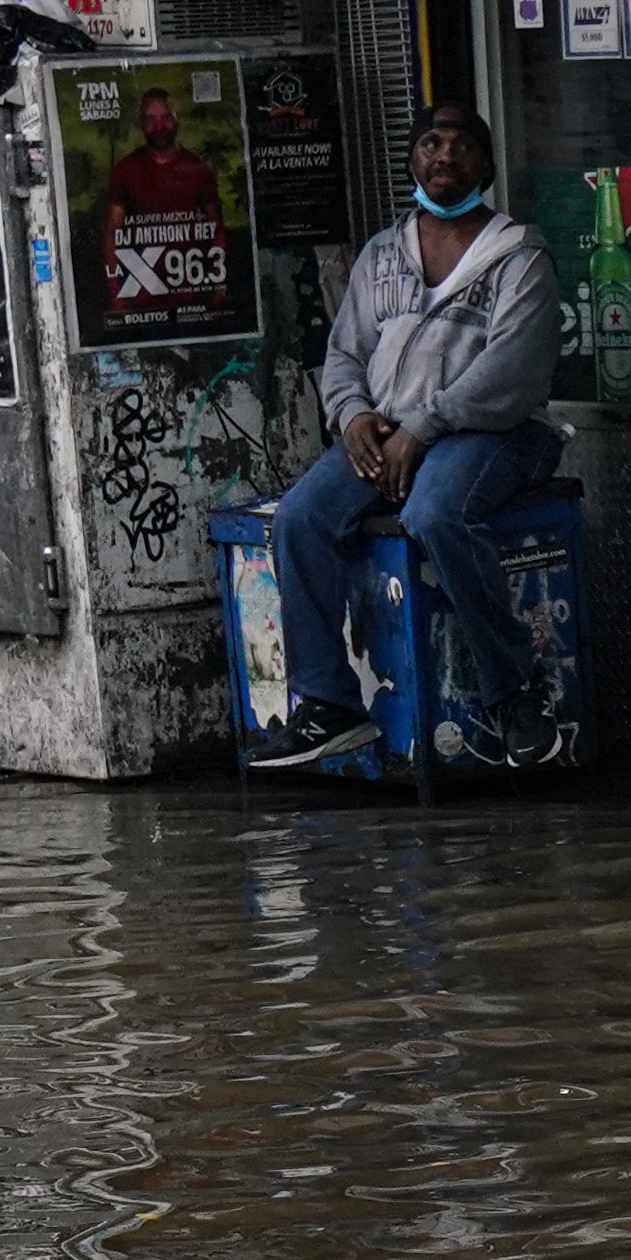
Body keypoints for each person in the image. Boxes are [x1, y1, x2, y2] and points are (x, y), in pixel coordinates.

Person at [245, 113, 562, 772]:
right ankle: (329, 704)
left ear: (486, 167)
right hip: (388, 432)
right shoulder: (382, 254)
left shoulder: (520, 257)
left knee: (436, 513)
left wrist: (423, 426)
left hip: (497, 432)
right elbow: (344, 355)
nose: (446, 156)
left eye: (464, 146)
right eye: (431, 144)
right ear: (412, 160)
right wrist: (354, 415)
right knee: (300, 517)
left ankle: (516, 692)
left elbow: (511, 374)